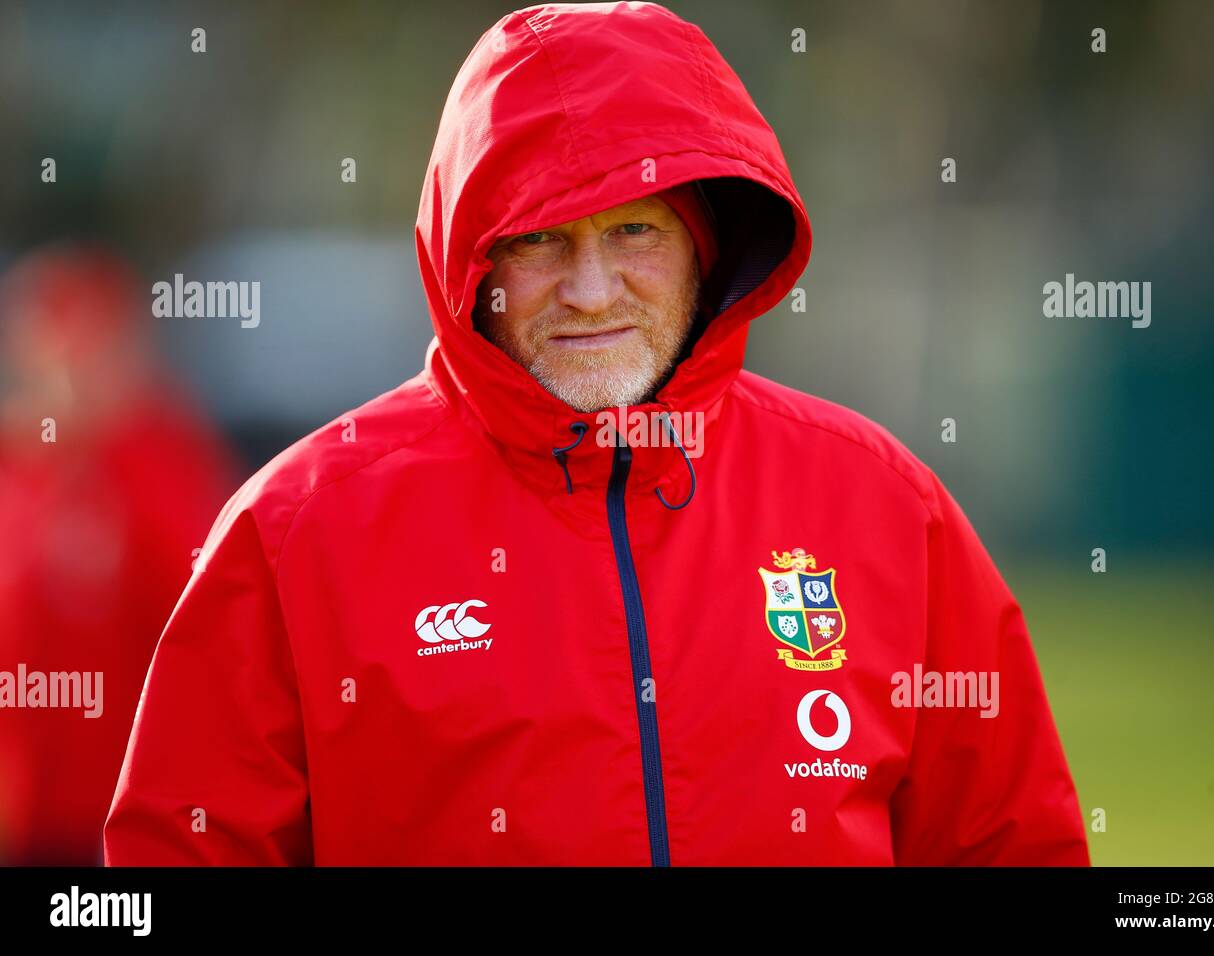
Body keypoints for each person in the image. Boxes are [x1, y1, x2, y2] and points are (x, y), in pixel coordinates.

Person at [104, 1, 1089, 866]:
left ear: (706, 241)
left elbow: (1009, 844)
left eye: (634, 231)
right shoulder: (296, 532)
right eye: (540, 238)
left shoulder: (881, 505)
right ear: (471, 259)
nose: (590, 290)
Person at [0, 244, 236, 864]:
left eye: (88, 349)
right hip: (29, 814)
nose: (68, 371)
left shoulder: (160, 460)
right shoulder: (19, 466)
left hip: (128, 814)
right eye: (50, 348)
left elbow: (202, 614)